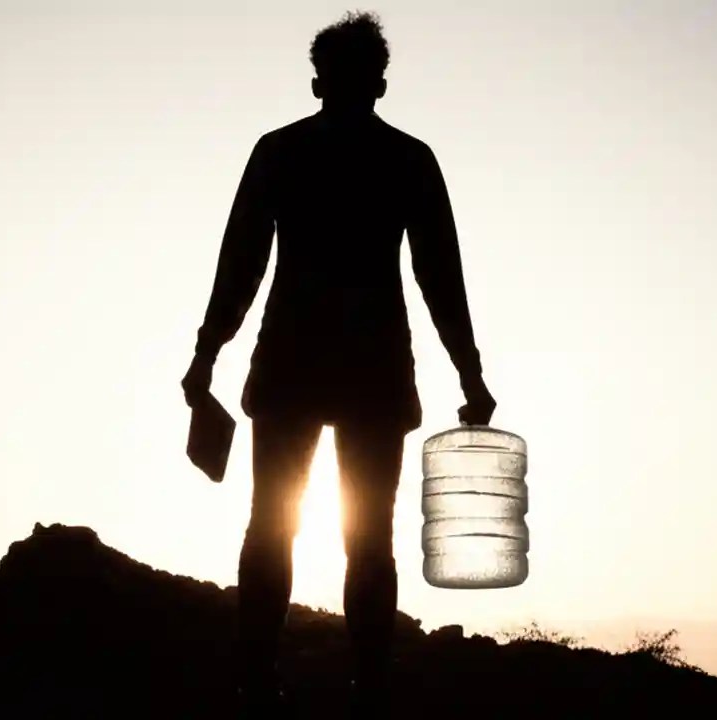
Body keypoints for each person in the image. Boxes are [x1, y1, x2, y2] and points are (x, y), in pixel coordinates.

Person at [180, 10, 496, 718]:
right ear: (380, 84)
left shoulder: (280, 152)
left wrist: (207, 353)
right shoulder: (408, 160)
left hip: (290, 363)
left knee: (269, 524)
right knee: (369, 536)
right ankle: (370, 688)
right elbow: (440, 277)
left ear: (318, 81)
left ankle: (257, 682)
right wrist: (469, 374)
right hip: (375, 374)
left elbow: (240, 266)